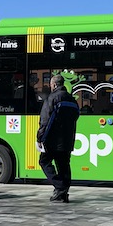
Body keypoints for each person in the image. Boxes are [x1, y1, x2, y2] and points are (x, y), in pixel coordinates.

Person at [37, 74, 79, 203]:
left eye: (50, 85)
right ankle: (63, 194)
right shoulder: (72, 100)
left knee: (44, 161)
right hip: (67, 139)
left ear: (54, 85)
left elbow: (45, 121)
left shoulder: (52, 98)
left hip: (53, 140)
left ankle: (60, 188)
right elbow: (76, 117)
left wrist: (40, 138)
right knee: (64, 165)